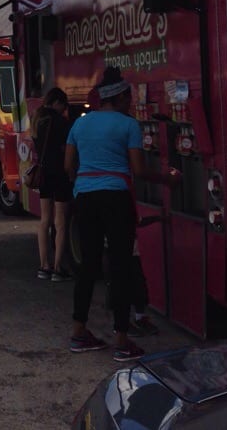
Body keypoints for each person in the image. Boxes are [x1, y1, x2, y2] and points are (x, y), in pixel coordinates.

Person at [65, 67, 178, 362]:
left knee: (88, 266)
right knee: (121, 265)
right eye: (128, 96)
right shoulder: (128, 126)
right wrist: (167, 179)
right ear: (121, 97)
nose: (130, 102)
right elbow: (139, 170)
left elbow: (68, 166)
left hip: (85, 197)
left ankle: (79, 333)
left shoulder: (80, 124)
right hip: (116, 197)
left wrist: (84, 181)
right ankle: (122, 340)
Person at [33, 88, 73, 282]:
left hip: (44, 174)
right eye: (63, 106)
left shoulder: (37, 121)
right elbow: (68, 151)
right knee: (61, 221)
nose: (64, 109)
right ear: (57, 102)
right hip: (60, 174)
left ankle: (43, 265)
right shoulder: (62, 123)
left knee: (44, 220)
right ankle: (58, 267)